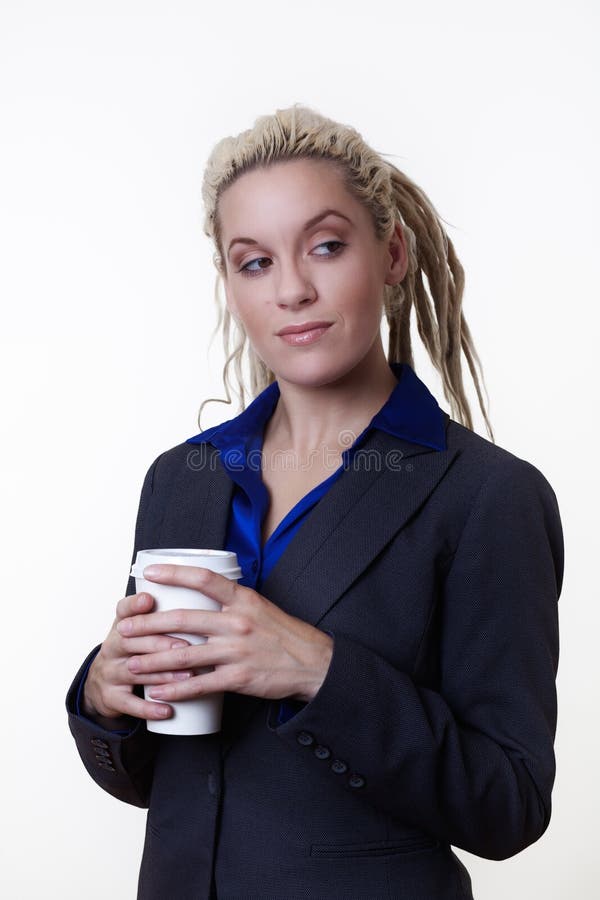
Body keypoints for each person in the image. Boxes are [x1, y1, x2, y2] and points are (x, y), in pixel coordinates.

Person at [65, 104, 564, 900]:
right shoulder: (182, 478)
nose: (293, 290)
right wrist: (105, 695)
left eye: (326, 246)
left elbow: (509, 805)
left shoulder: (487, 497)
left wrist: (320, 672)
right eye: (254, 262)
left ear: (391, 253)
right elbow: (172, 782)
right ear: (229, 283)